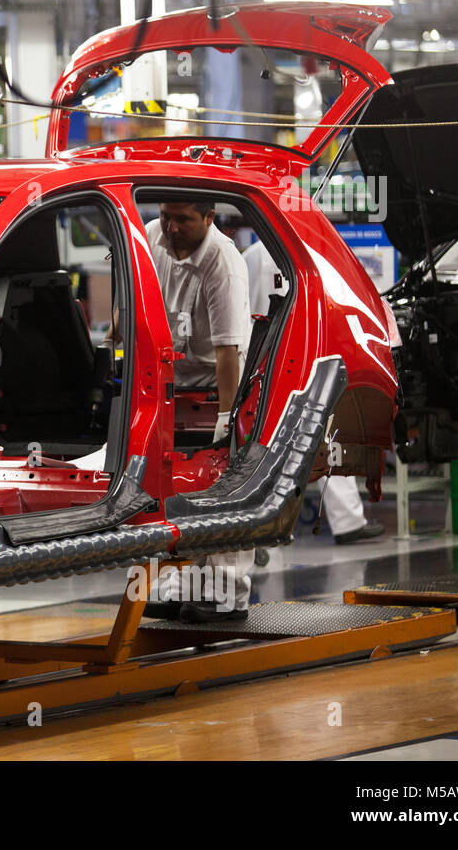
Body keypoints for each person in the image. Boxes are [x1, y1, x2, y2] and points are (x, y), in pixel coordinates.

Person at [145, 201, 253, 621]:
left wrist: (228, 422)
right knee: (172, 490)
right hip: (171, 383)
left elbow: (228, 352)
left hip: (218, 385)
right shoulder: (155, 234)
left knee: (224, 488)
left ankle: (228, 593)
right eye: (166, 216)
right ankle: (177, 586)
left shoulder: (223, 263)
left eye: (183, 220)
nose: (171, 227)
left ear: (209, 218)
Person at [242, 237, 384, 545]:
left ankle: (271, 523)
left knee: (273, 442)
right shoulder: (305, 256)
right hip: (299, 359)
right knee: (321, 435)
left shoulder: (254, 256)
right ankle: (345, 520)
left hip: (268, 363)